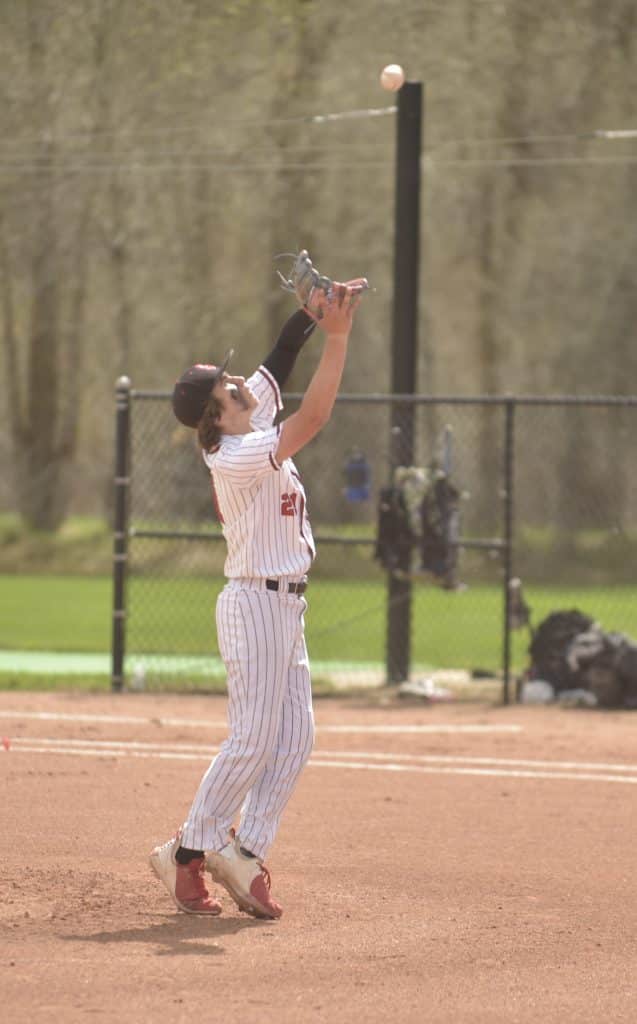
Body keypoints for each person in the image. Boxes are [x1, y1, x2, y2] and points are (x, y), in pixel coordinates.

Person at [150, 281, 361, 920]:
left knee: (294, 739)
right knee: (251, 740)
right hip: (254, 604)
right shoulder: (235, 451)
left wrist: (311, 312)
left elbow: (277, 359)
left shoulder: (248, 413)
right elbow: (316, 417)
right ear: (216, 414)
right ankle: (187, 851)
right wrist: (341, 338)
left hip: (285, 606)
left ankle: (242, 851)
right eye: (226, 384)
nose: (240, 380)